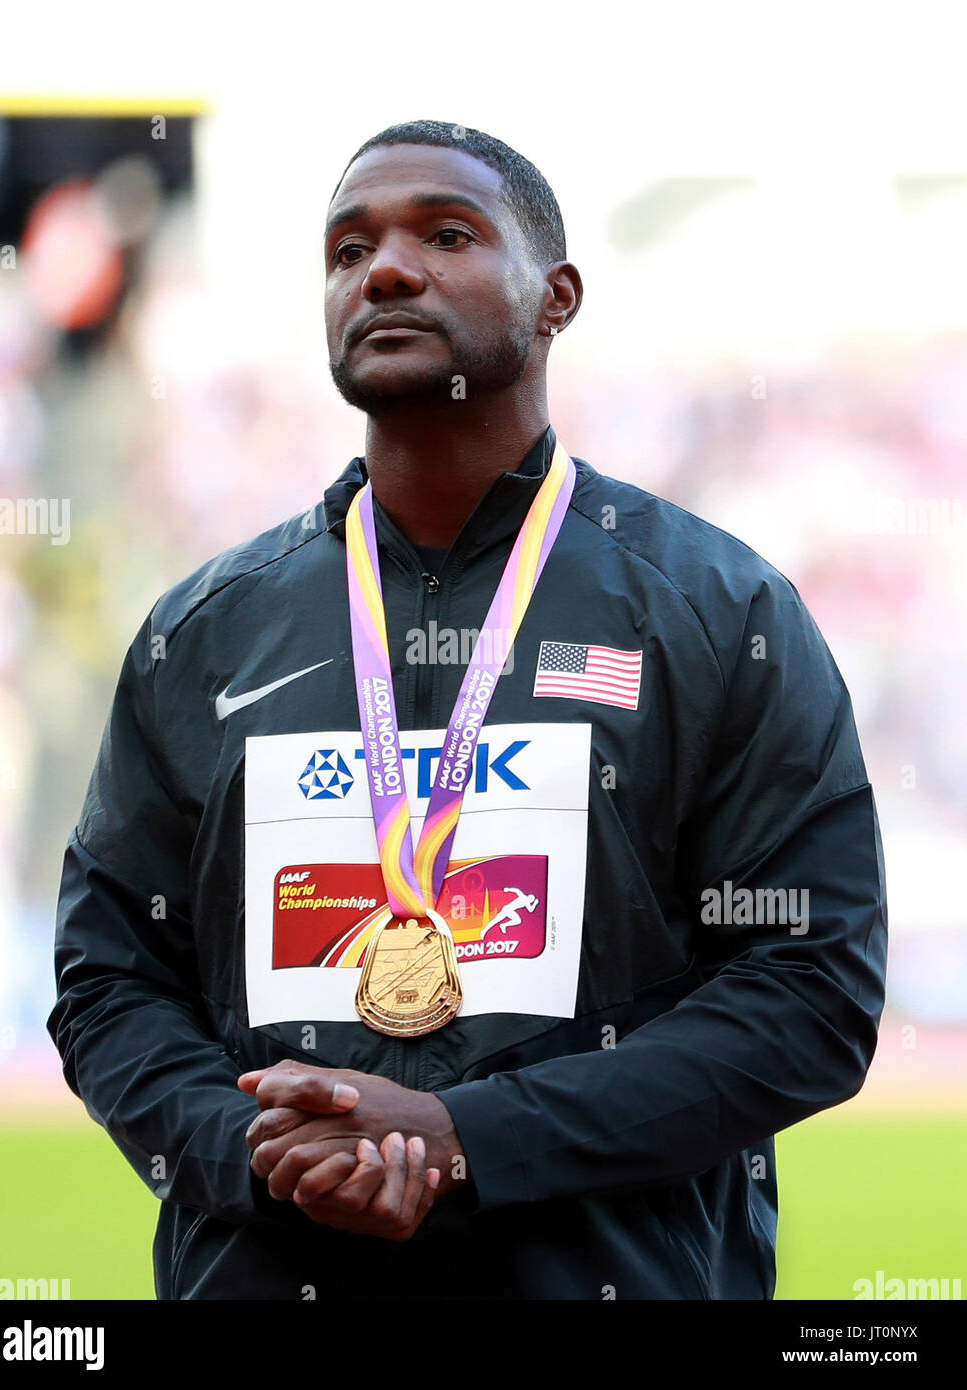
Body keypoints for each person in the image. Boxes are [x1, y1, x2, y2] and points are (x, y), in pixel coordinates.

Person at [48, 119, 888, 1300]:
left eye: (446, 234)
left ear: (558, 297)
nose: (382, 269)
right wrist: (258, 1151)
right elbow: (108, 978)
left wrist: (471, 1140)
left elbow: (811, 989)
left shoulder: (717, 609)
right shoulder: (204, 634)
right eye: (347, 250)